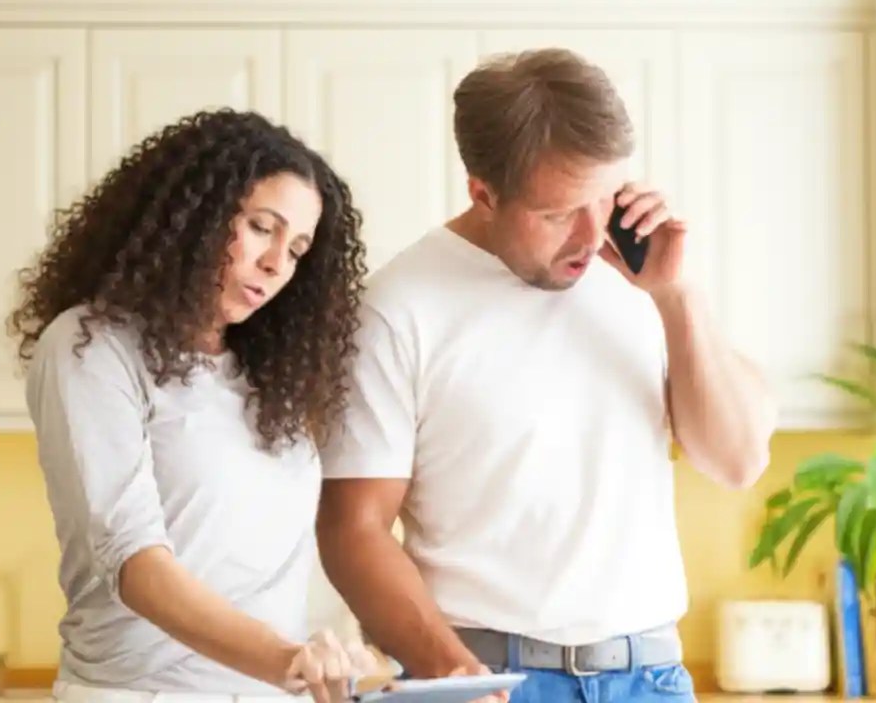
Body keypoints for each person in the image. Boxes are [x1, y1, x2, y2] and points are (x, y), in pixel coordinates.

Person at [315, 48, 778, 702]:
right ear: (484, 192)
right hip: (485, 677)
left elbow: (738, 461)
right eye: (559, 212)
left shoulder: (644, 278)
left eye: (604, 197)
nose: (591, 237)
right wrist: (451, 672)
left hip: (650, 677)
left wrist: (677, 298)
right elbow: (352, 530)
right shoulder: (399, 307)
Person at [8, 109, 378, 703]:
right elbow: (134, 562)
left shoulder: (269, 380)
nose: (277, 263)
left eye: (299, 248)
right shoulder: (91, 347)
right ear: (194, 219)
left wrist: (320, 660)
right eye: (262, 227)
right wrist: (285, 660)